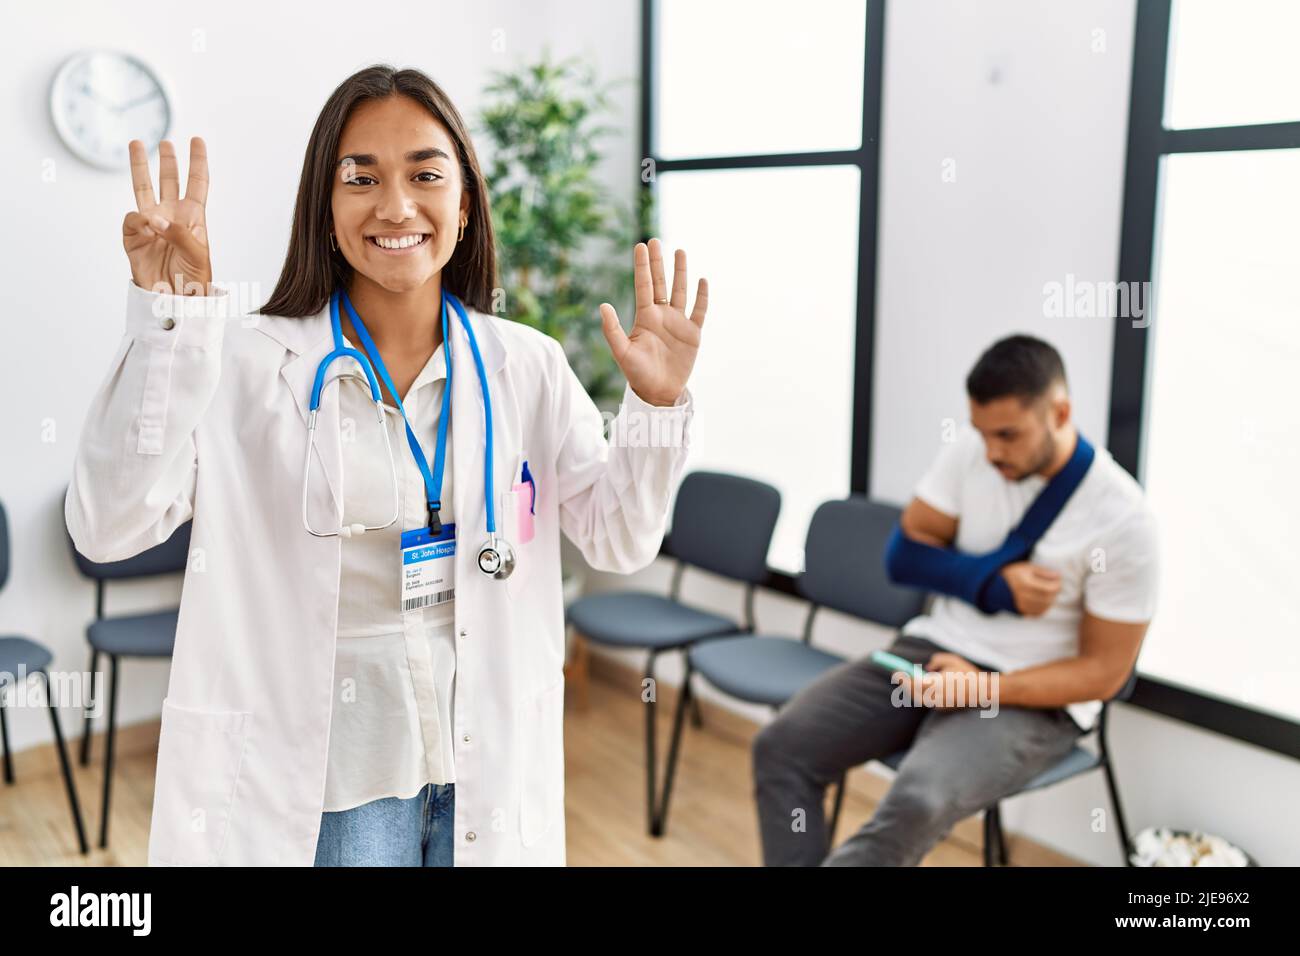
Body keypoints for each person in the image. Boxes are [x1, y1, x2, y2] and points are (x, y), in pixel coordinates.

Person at [65, 65, 709, 867]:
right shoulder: (247, 365)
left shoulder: (525, 365)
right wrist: (170, 326)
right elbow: (107, 525)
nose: (396, 206)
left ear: (466, 203)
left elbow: (619, 540)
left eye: (426, 175)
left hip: (485, 766)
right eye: (360, 177)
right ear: (325, 209)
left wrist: (653, 409)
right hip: (331, 779)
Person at [752, 334, 1157, 866]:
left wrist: (983, 686)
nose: (992, 452)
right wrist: (990, 584)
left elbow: (1103, 673)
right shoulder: (973, 452)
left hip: (1031, 694)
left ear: (1060, 413)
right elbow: (904, 556)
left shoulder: (1124, 520)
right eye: (982, 433)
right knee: (782, 747)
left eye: (1008, 435)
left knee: (917, 800)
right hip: (933, 651)